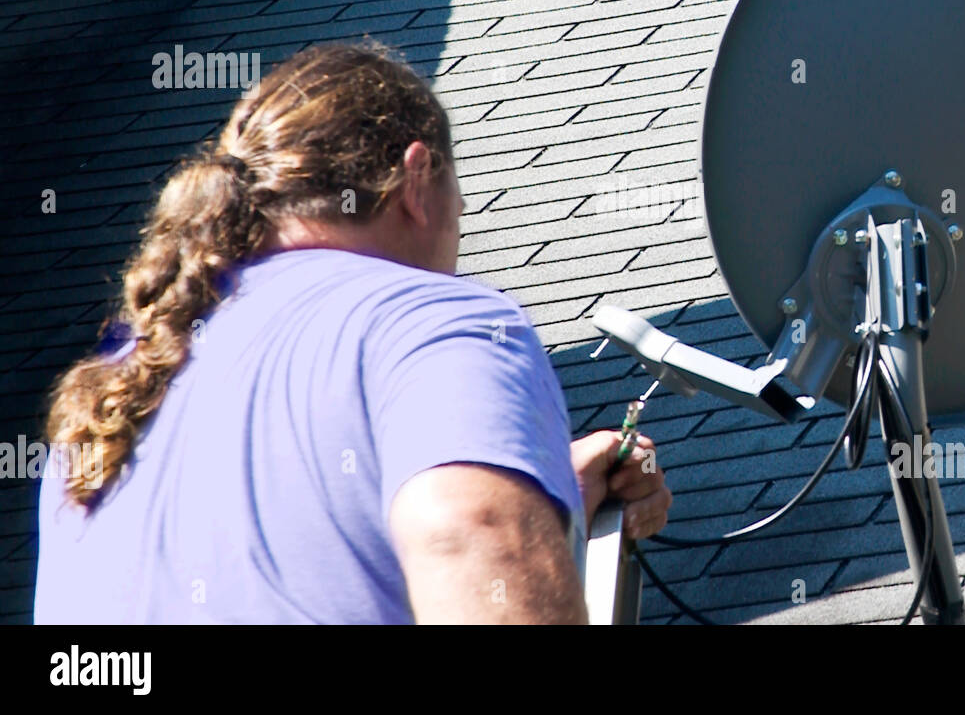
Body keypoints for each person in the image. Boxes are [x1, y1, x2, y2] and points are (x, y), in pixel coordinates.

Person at [34, 41, 671, 624]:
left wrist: (532, 487)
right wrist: (503, 519)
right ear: (418, 180)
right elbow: (469, 537)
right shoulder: (435, 323)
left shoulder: (114, 390)